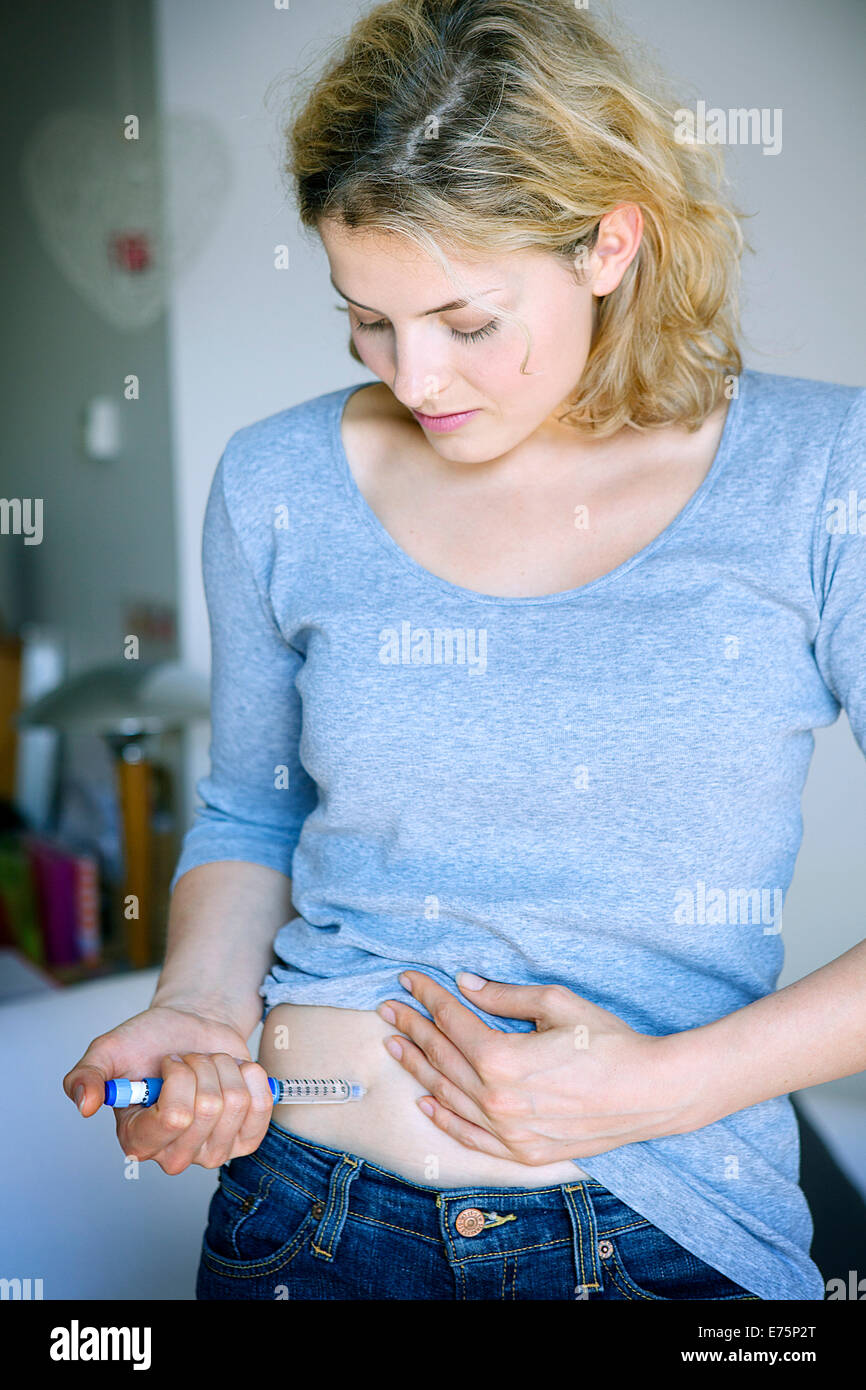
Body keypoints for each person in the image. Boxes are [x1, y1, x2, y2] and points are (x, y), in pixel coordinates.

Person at [64, 0, 866, 1301]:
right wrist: (203, 1012)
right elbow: (253, 811)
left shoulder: (821, 470)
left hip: (653, 1244)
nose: (415, 376)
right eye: (365, 319)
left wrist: (656, 1082)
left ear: (611, 240)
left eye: (465, 321)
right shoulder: (277, 480)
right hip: (293, 1221)